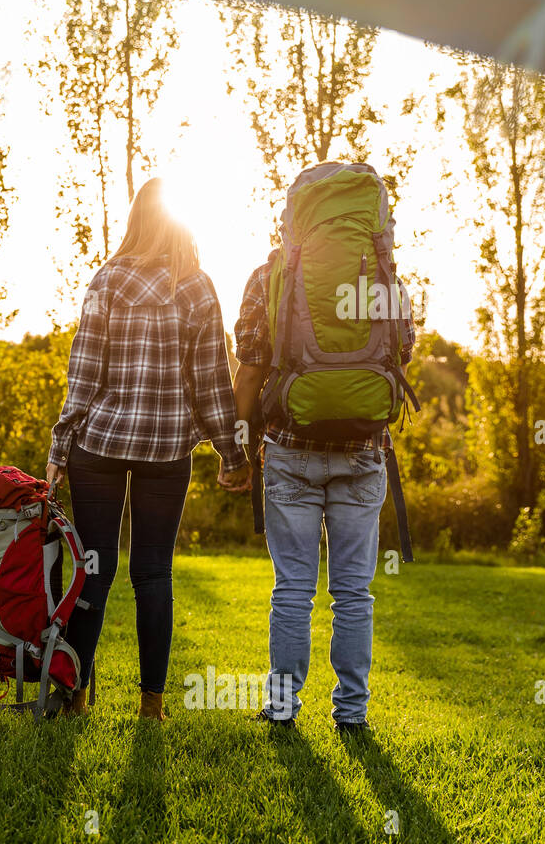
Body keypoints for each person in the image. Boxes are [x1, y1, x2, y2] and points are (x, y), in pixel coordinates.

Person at [46, 178, 249, 722]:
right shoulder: (198, 287)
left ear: (136, 219)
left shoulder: (107, 280)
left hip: (101, 442)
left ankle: (76, 697)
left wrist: (60, 445)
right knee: (154, 572)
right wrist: (233, 453)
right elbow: (212, 384)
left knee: (93, 567)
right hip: (166, 449)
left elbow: (82, 374)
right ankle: (151, 705)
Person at [232, 247, 416, 735]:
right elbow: (404, 352)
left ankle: (283, 707)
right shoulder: (381, 275)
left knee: (292, 588)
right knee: (353, 591)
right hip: (363, 449)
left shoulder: (269, 273)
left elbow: (250, 369)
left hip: (290, 447)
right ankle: (352, 713)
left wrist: (240, 450)